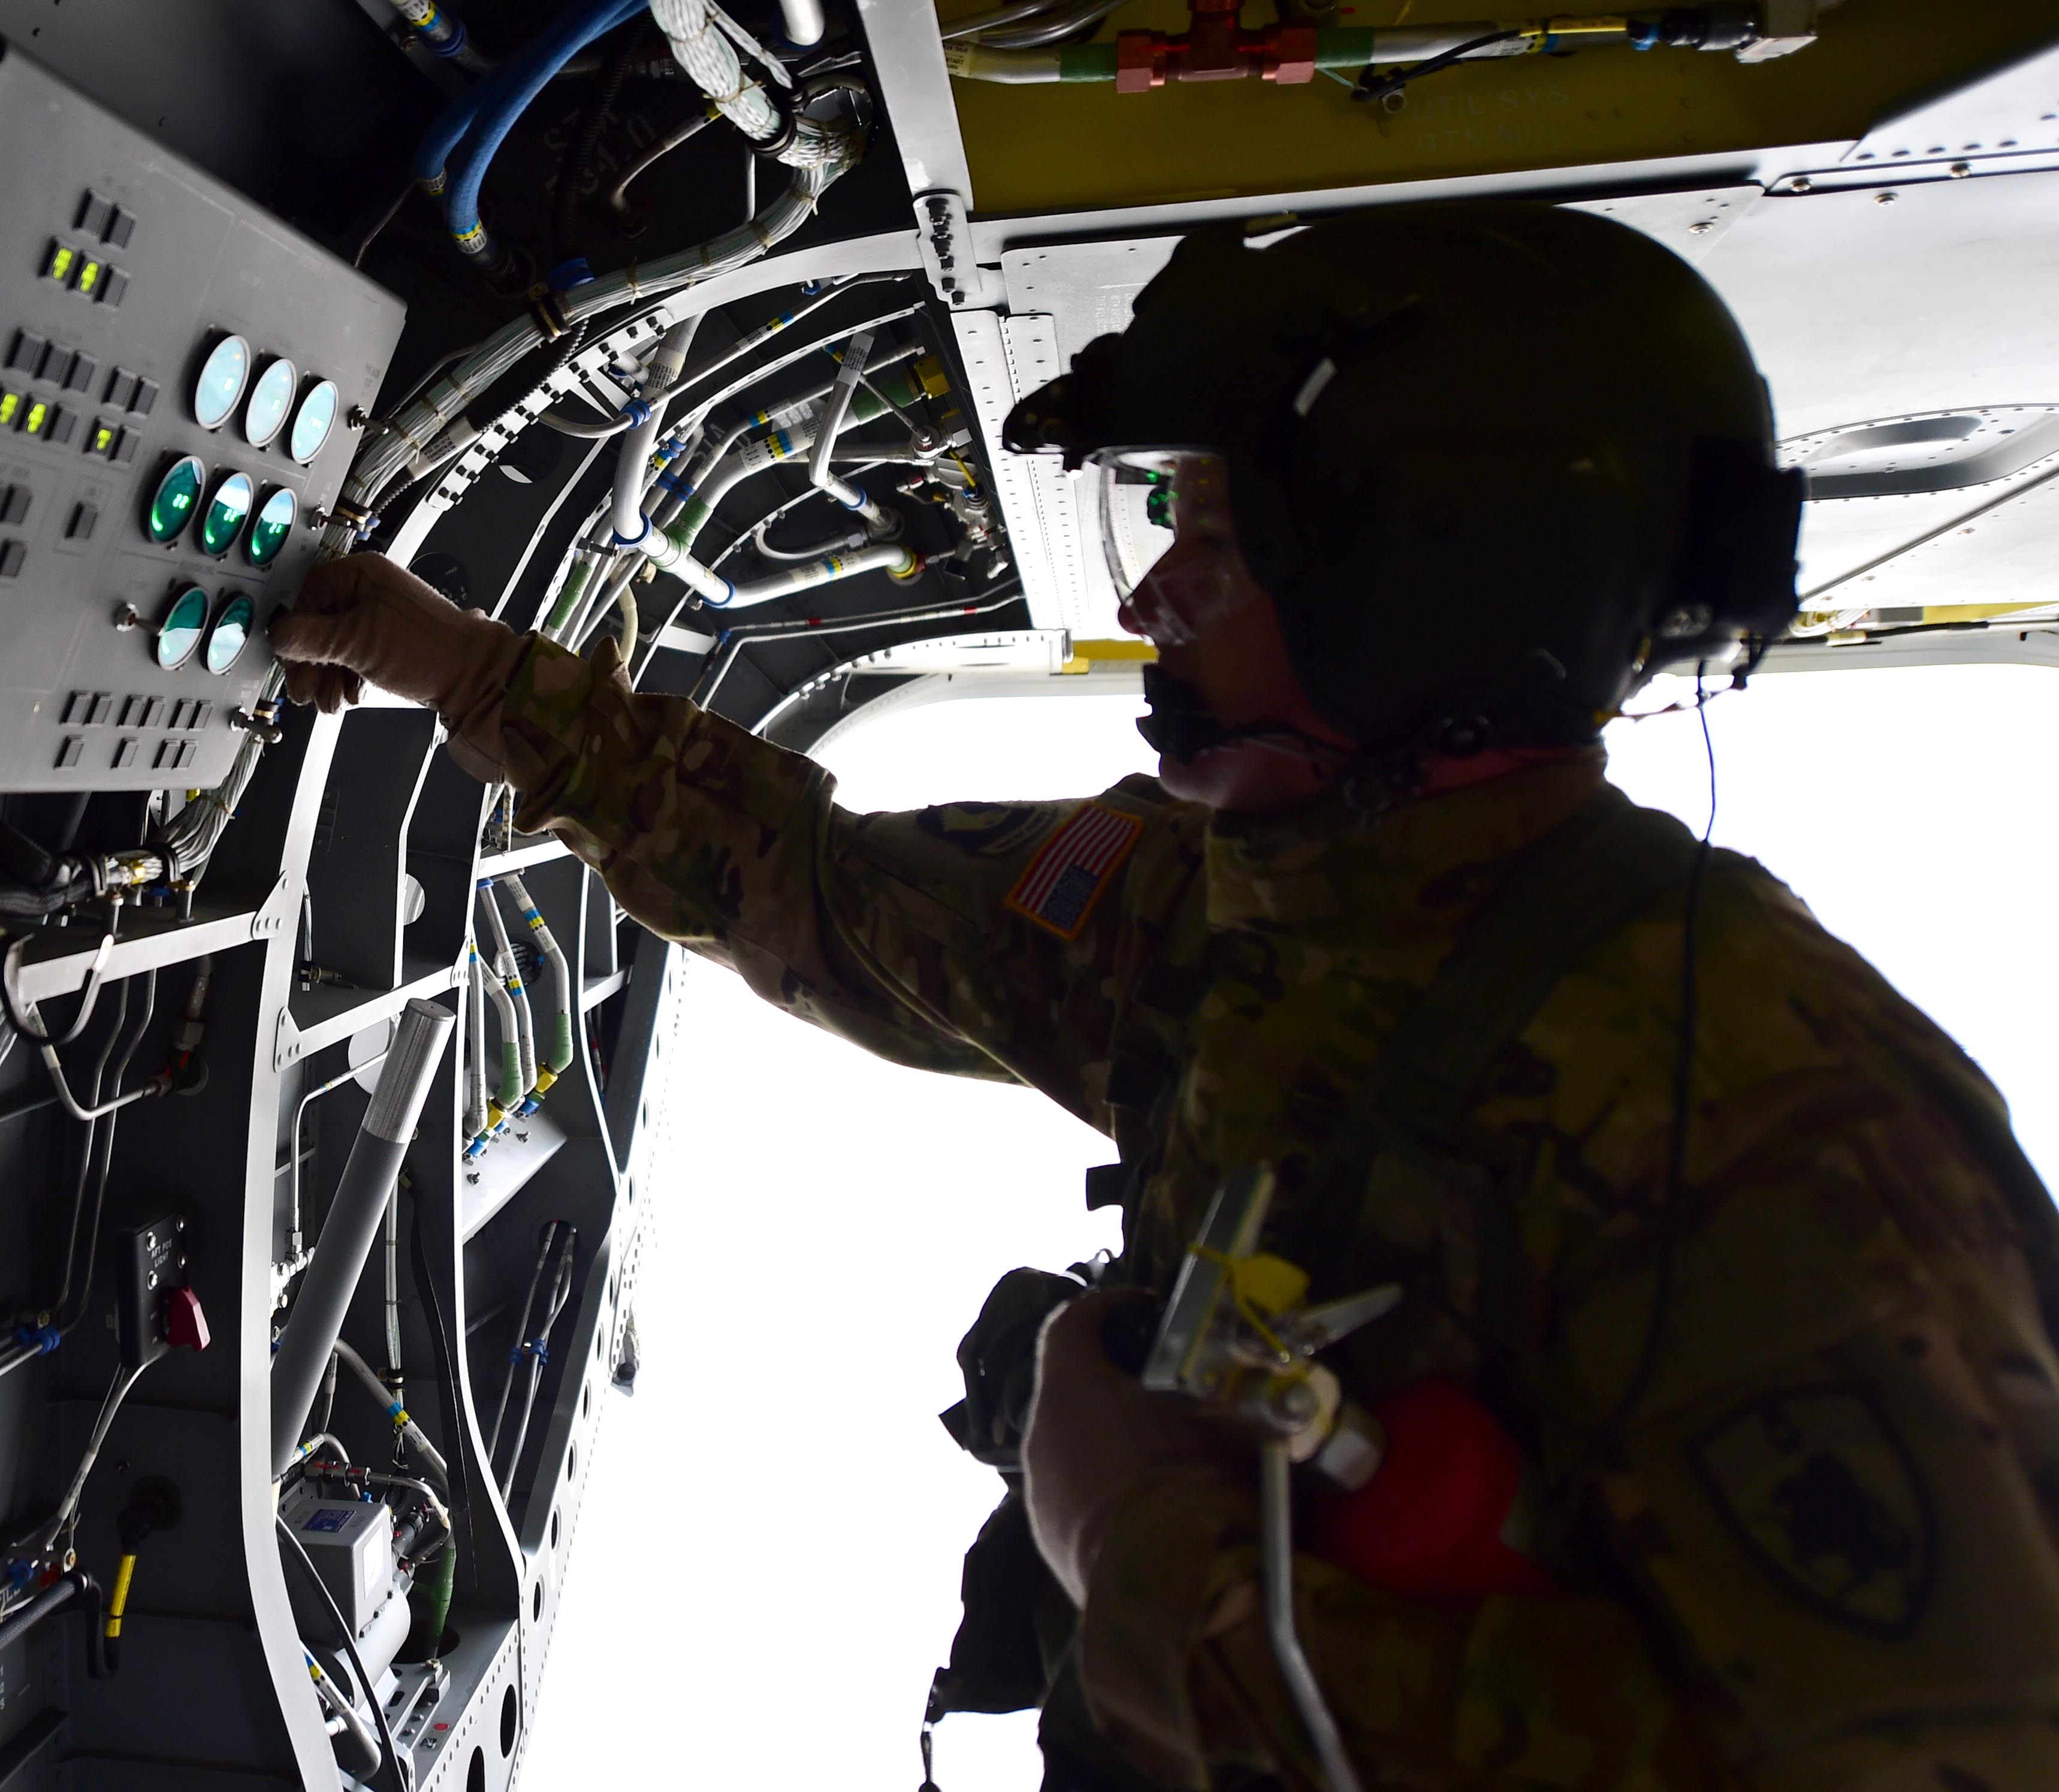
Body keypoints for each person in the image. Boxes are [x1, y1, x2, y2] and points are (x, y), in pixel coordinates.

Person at [269, 203, 2059, 1789]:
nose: (1150, 592)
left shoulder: (1761, 1098)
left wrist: (1139, 1544)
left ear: (1413, 575)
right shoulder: (1232, 913)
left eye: (1213, 537)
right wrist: (447, 662)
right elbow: (812, 890)